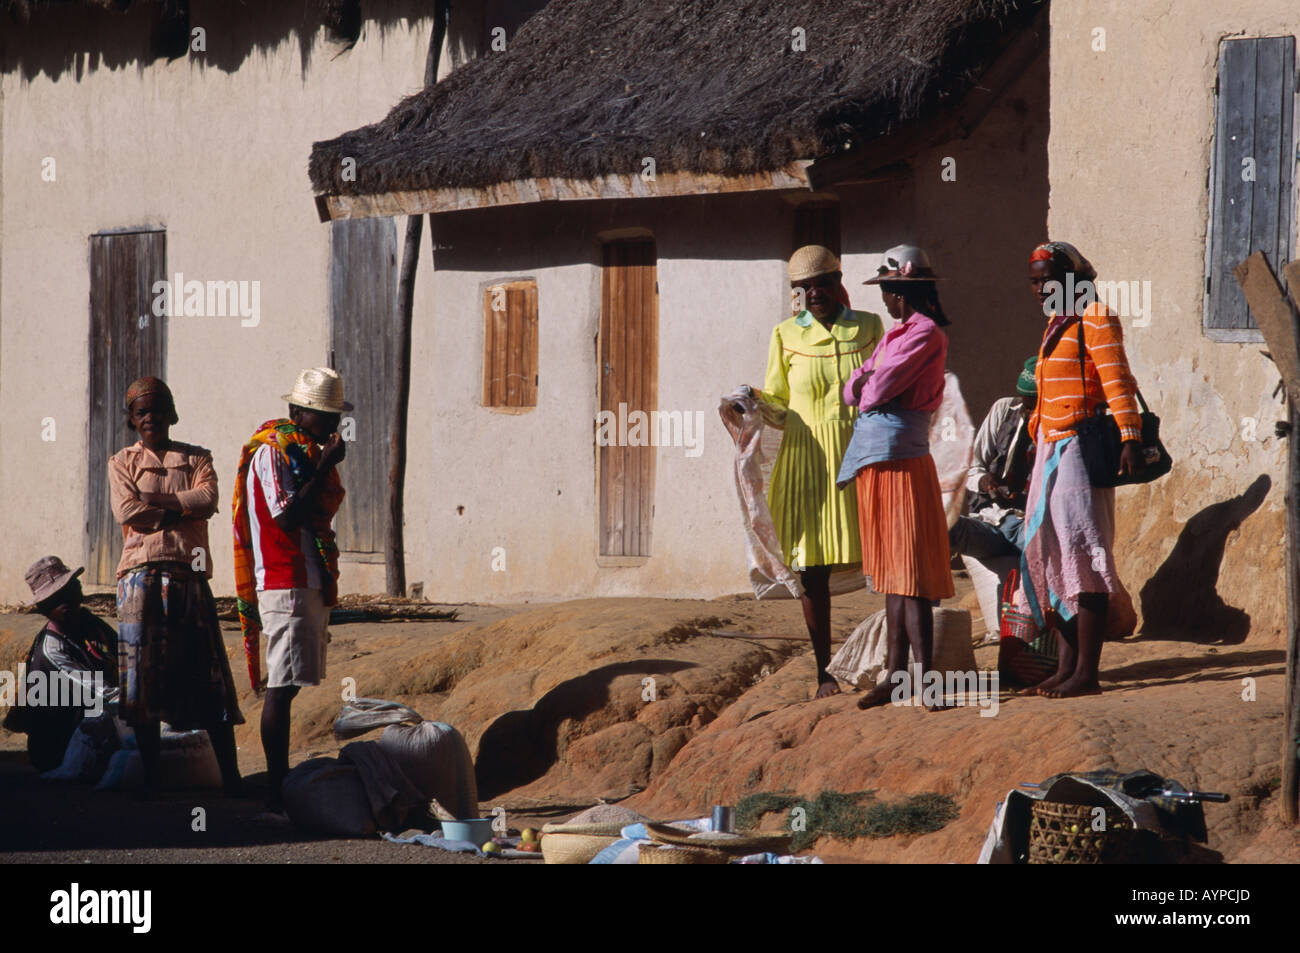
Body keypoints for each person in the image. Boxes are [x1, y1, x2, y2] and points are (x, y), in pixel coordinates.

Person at [756, 245, 884, 699]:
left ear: (838, 281)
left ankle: (894, 662)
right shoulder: (785, 335)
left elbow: (884, 383)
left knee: (885, 554)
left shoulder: (868, 327)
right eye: (804, 288)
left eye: (822, 284)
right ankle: (823, 672)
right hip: (807, 458)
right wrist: (749, 404)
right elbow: (777, 400)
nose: (815, 294)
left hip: (860, 453)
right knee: (813, 567)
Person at [109, 377, 244, 793]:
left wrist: (159, 507)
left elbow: (209, 499)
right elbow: (126, 510)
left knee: (208, 676)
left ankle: (233, 779)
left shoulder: (197, 457)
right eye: (141, 411)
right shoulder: (121, 462)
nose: (150, 417)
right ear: (132, 420)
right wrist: (181, 509)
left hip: (189, 574)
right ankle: (153, 779)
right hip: (140, 577)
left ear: (171, 413)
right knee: (143, 680)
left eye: (157, 409)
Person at [1021, 241, 1143, 698]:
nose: (1038, 289)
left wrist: (1129, 436)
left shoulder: (1095, 316)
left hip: (1080, 448)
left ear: (1069, 280)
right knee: (1055, 553)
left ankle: (1087, 673)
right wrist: (1035, 439)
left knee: (1084, 555)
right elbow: (1046, 394)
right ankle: (1066, 666)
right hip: (1051, 449)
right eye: (1033, 282)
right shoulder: (1057, 325)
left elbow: (1117, 380)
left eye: (1045, 280)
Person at [838, 245, 956, 710]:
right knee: (891, 570)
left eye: (888, 292)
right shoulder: (897, 335)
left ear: (902, 292)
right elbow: (854, 388)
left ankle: (922, 679)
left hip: (901, 459)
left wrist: (868, 382)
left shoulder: (925, 335)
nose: (886, 301)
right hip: (879, 459)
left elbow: (875, 388)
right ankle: (895, 674)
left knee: (909, 570)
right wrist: (867, 382)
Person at [233, 367, 348, 811]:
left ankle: (280, 785)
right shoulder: (274, 452)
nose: (333, 427)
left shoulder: (302, 450)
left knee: (293, 681)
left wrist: (320, 463)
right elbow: (287, 516)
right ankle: (278, 788)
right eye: (325, 416)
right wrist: (324, 467)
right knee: (281, 685)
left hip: (309, 577)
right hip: (285, 580)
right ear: (298, 412)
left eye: (336, 416)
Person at [3, 557, 119, 772]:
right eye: (54, 599)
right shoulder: (52, 650)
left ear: (79, 591)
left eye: (68, 592)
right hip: (57, 746)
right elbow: (104, 694)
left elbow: (124, 655)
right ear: (43, 608)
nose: (64, 602)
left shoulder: (91, 624)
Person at [947, 358, 1037, 560]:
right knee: (937, 527)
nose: (1027, 410)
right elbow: (972, 464)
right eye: (1024, 401)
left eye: (1034, 405)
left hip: (1028, 525)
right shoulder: (1004, 409)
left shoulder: (1057, 427)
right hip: (990, 519)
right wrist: (982, 480)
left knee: (1041, 551)